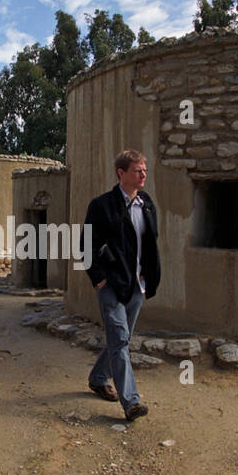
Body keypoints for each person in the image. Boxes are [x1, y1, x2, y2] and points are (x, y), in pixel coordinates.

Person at [84, 150, 160, 421]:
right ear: (121, 173)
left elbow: (150, 244)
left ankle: (98, 377)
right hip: (113, 286)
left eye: (144, 170)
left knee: (121, 340)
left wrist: (150, 277)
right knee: (119, 340)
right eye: (138, 170)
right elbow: (87, 246)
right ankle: (132, 403)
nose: (143, 175)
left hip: (137, 285)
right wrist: (101, 279)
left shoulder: (147, 204)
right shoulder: (102, 205)